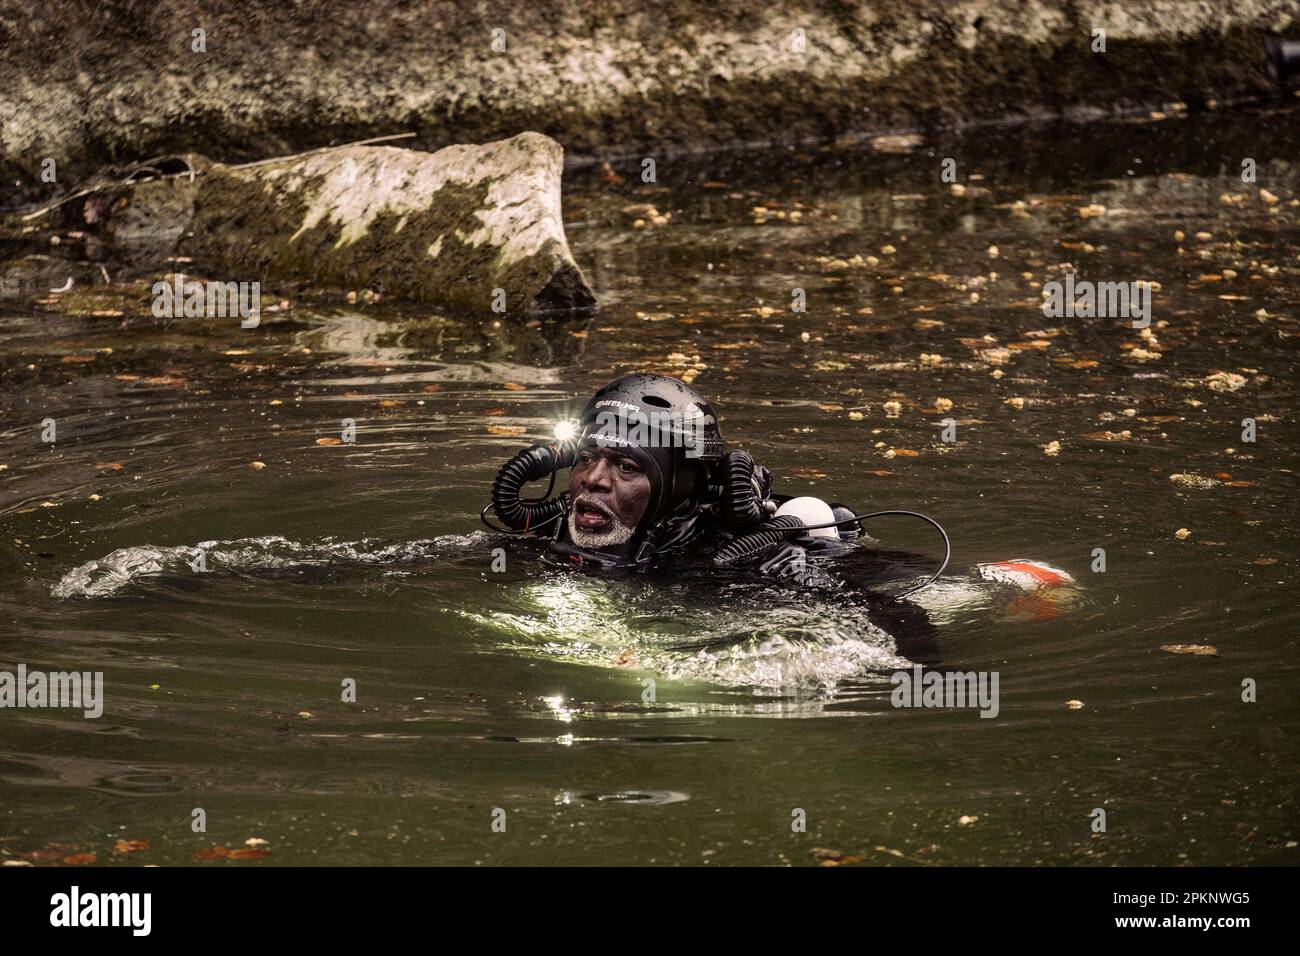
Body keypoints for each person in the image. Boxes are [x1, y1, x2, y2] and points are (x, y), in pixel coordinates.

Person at [485, 373, 1078, 628]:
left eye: (626, 466)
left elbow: (893, 616)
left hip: (794, 566)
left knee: (901, 580)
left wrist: (930, 685)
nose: (593, 479)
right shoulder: (561, 525)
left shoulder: (742, 555)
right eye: (587, 458)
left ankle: (1000, 577)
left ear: (678, 489)